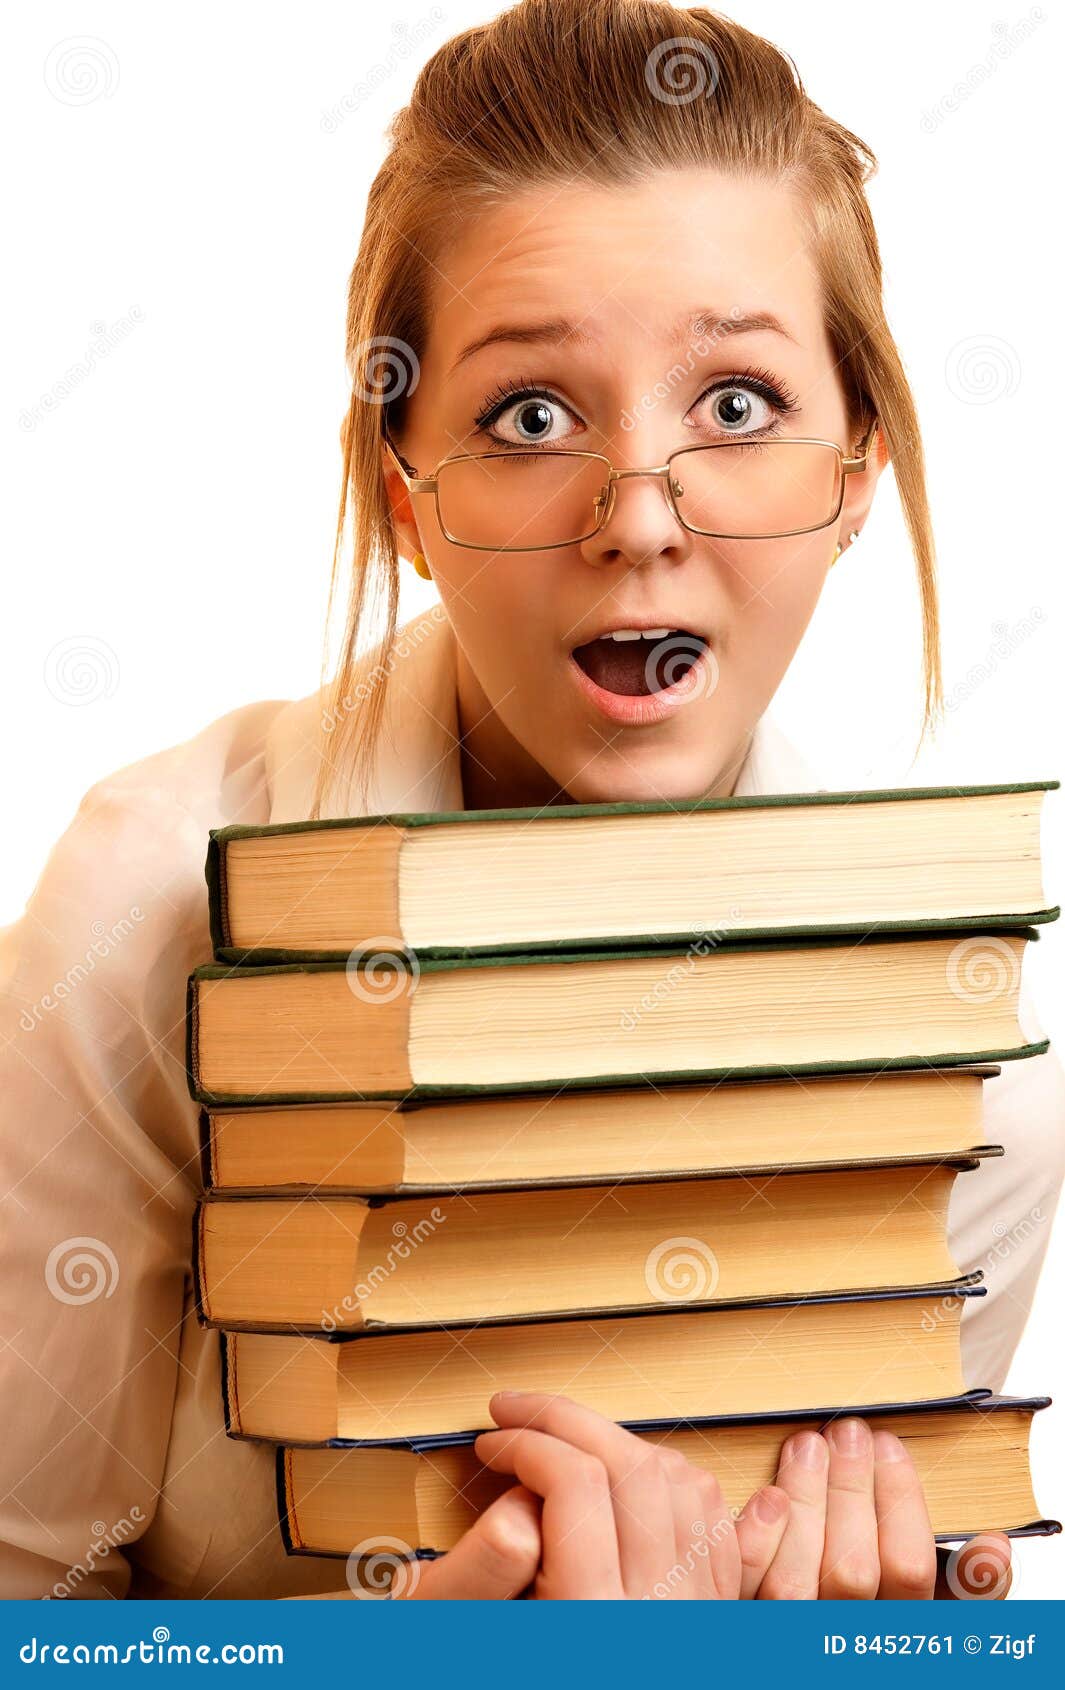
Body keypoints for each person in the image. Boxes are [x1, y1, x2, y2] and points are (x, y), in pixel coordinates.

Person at [1, 0, 1060, 1600]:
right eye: (530, 416)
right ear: (402, 493)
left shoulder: (963, 1067)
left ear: (855, 477)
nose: (638, 515)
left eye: (736, 403)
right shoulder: (149, 908)